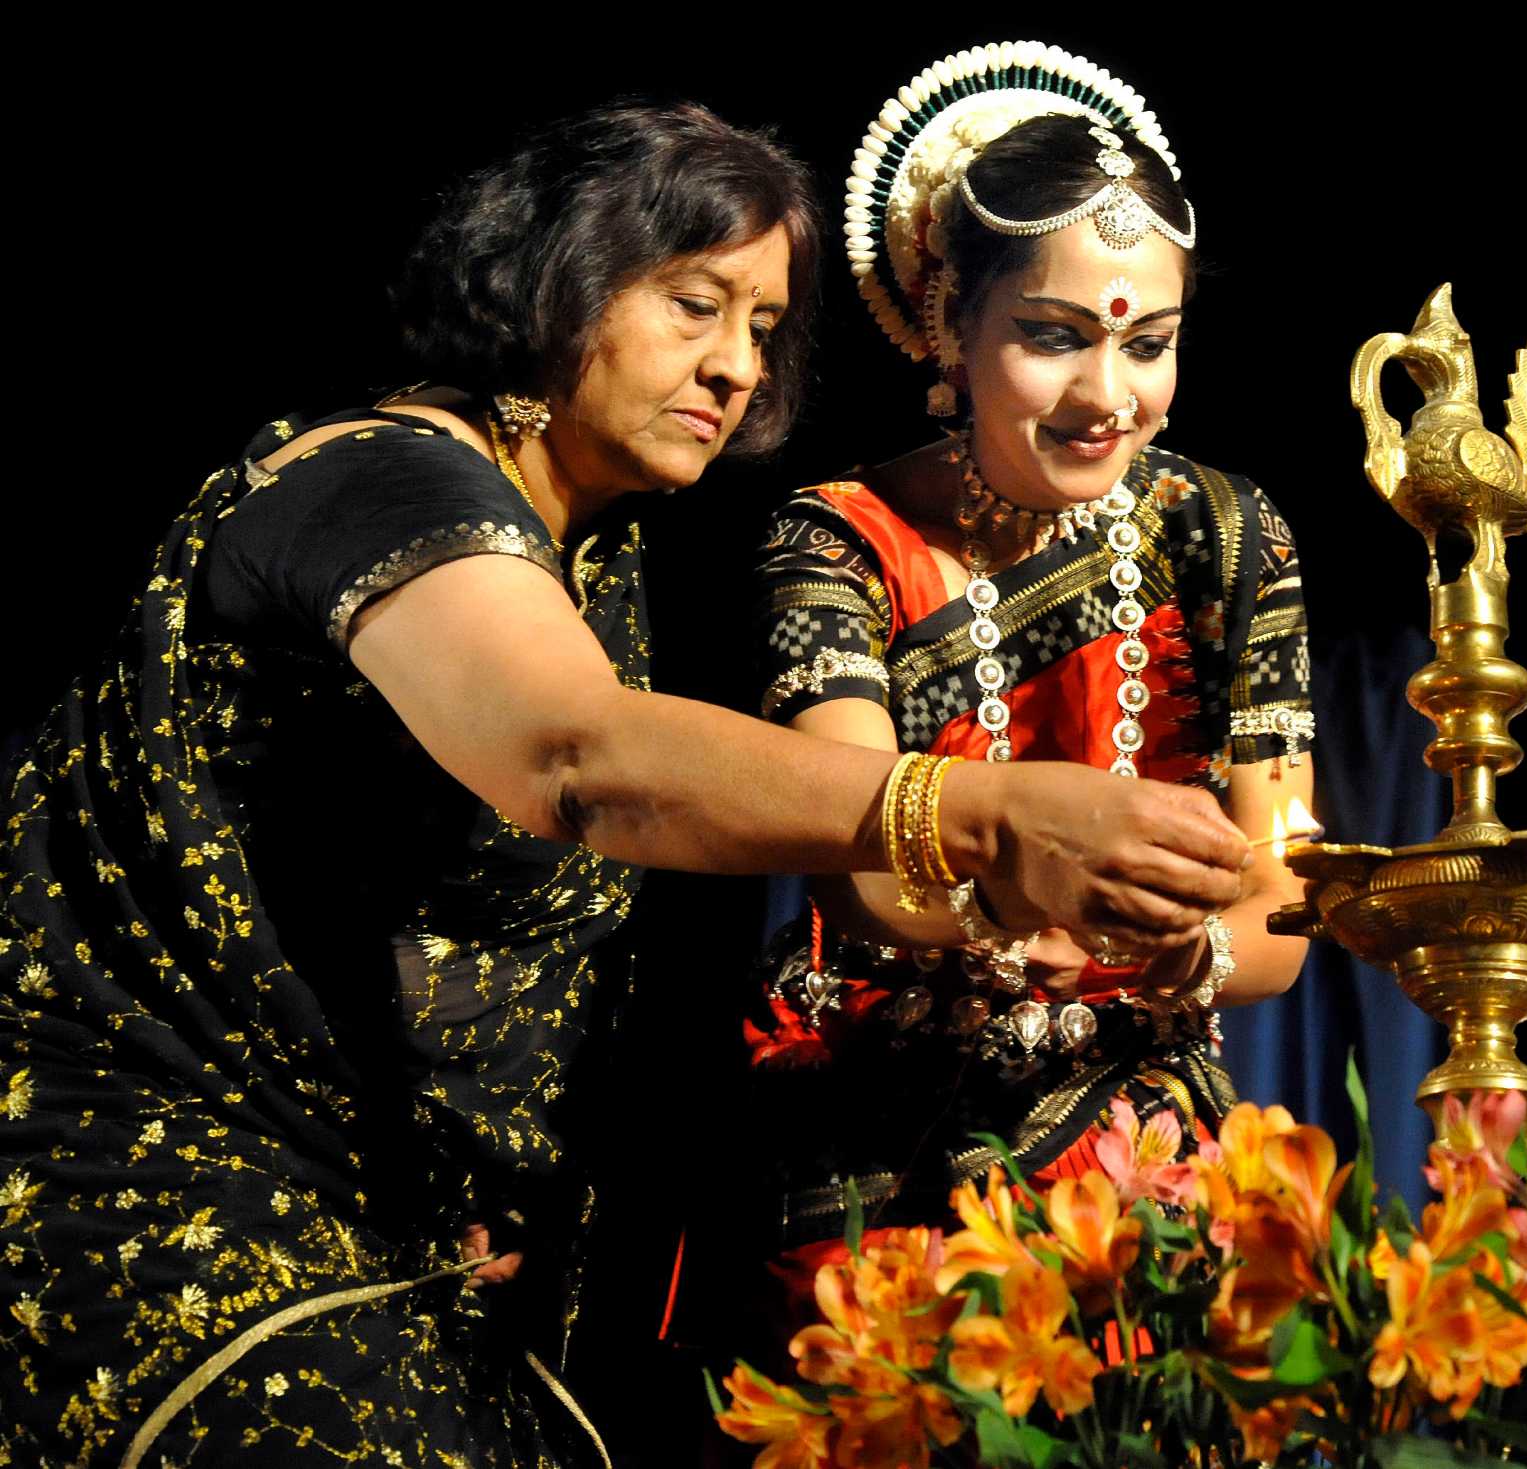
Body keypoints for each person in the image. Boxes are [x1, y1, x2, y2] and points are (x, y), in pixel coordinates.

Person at [0, 102, 1251, 1468]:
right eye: (694, 305)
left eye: (763, 328)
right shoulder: (377, 480)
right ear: (557, 281)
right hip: (163, 1201)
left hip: (399, 1233)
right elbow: (573, 757)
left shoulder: (596, 565)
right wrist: (984, 811)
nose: (735, 365)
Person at [731, 44, 1316, 1264]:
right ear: (947, 318)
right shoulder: (838, 540)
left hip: (1142, 1144)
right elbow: (859, 859)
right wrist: (1019, 905)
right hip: (884, 1139)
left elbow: (1283, 893)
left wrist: (1191, 950)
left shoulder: (1224, 532)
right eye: (1053, 337)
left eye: (1147, 344)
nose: (1107, 394)